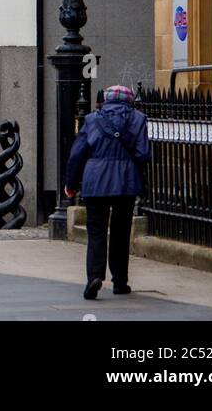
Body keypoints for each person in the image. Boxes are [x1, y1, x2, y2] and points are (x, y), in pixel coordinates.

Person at [65, 85, 150, 300]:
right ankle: (120, 281)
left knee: (97, 232)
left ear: (106, 100)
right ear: (129, 100)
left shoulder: (92, 119)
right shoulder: (138, 118)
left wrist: (71, 183)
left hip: (96, 181)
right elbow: (142, 153)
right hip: (125, 182)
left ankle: (94, 276)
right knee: (121, 232)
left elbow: (78, 153)